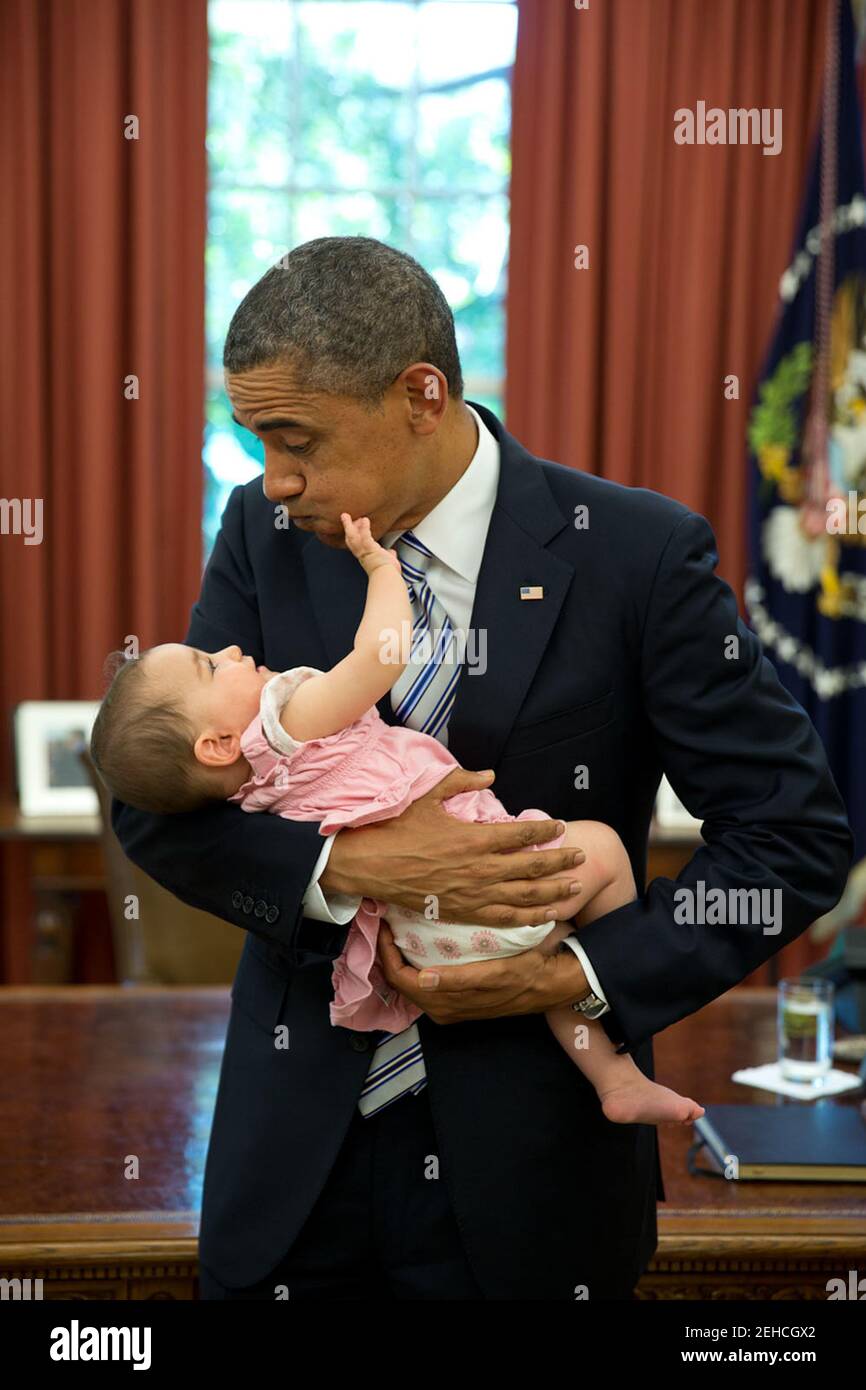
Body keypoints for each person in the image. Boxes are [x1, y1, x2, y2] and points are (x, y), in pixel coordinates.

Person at [111, 236, 853, 1300]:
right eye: (253, 439)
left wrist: (577, 979)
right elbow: (157, 801)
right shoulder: (262, 531)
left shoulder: (634, 555)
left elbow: (792, 837)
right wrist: (354, 865)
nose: (273, 477)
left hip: (538, 1185)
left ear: (421, 394)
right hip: (289, 1179)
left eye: (293, 438)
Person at [91, 511, 706, 1129]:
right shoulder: (283, 725)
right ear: (219, 745)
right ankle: (614, 1039)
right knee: (601, 853)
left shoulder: (244, 790)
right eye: (210, 667)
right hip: (486, 882)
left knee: (546, 953)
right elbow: (379, 656)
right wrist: (382, 570)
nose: (228, 649)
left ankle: (613, 1079)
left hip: (418, 942)